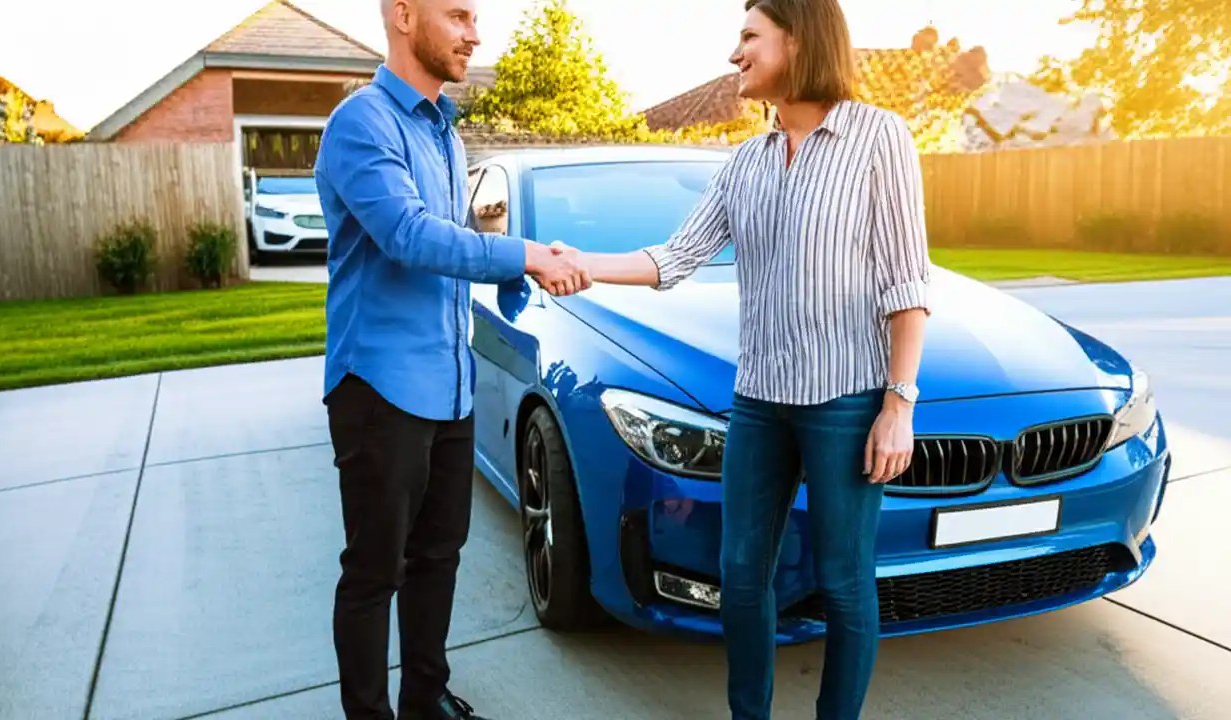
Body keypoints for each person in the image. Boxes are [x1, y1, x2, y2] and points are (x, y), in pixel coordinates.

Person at [551, 1, 931, 718]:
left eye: (749, 37)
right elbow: (675, 258)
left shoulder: (880, 138)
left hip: (846, 400)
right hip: (758, 401)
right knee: (740, 573)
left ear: (799, 38)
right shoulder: (745, 161)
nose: (735, 54)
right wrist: (580, 261)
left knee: (846, 580)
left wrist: (898, 403)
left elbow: (906, 281)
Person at [312, 1, 588, 718]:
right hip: (379, 388)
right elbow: (408, 235)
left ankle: (424, 700)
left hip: (450, 383)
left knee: (438, 559)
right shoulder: (361, 122)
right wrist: (523, 253)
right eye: (459, 14)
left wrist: (510, 272)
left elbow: (456, 235)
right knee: (375, 570)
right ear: (403, 14)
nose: (475, 31)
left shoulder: (445, 134)